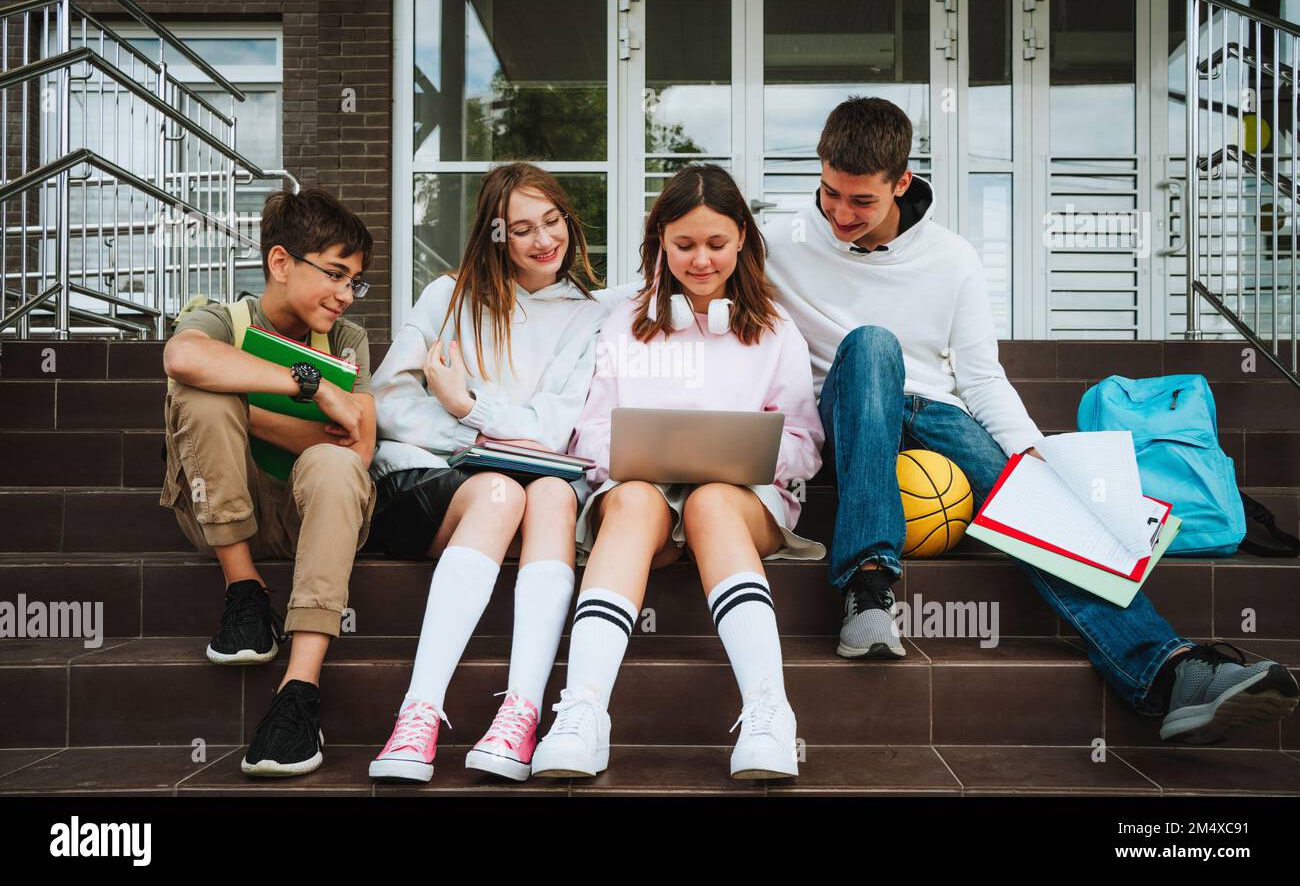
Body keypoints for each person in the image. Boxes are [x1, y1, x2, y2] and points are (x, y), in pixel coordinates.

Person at [764, 95, 1299, 743]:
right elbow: (690, 282)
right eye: (830, 194)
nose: (840, 214)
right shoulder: (779, 243)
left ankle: (1169, 670)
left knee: (1041, 506)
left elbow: (980, 374)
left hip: (934, 410)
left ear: (901, 183)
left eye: (861, 202)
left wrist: (1034, 452)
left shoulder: (952, 257)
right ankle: (869, 587)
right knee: (873, 343)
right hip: (848, 401)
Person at [530, 164, 826, 781]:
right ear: (659, 242)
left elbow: (805, 443)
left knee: (713, 500)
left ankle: (770, 712)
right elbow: (592, 434)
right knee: (636, 500)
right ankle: (583, 712)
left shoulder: (774, 329)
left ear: (742, 238)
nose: (700, 261)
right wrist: (650, 457)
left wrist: (738, 451)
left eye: (716, 244)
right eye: (684, 245)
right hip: (642, 504)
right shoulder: (623, 324)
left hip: (744, 501)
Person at [366, 163, 608, 782]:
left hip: (539, 484)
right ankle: (417, 713)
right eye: (522, 229)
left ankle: (520, 715)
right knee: (502, 491)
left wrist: (467, 404)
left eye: (552, 221)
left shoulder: (590, 315)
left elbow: (555, 430)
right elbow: (389, 401)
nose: (543, 240)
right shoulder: (446, 296)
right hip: (432, 483)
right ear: (496, 235)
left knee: (554, 492)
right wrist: (472, 435)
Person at [161, 188, 377, 776]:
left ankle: (298, 693)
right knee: (202, 395)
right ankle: (246, 595)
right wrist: (311, 387)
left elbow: (357, 446)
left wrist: (251, 408)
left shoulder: (347, 341)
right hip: (221, 512)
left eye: (355, 281)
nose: (345, 295)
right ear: (280, 263)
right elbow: (182, 359)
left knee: (334, 465)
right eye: (335, 274)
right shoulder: (220, 318)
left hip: (310, 515)